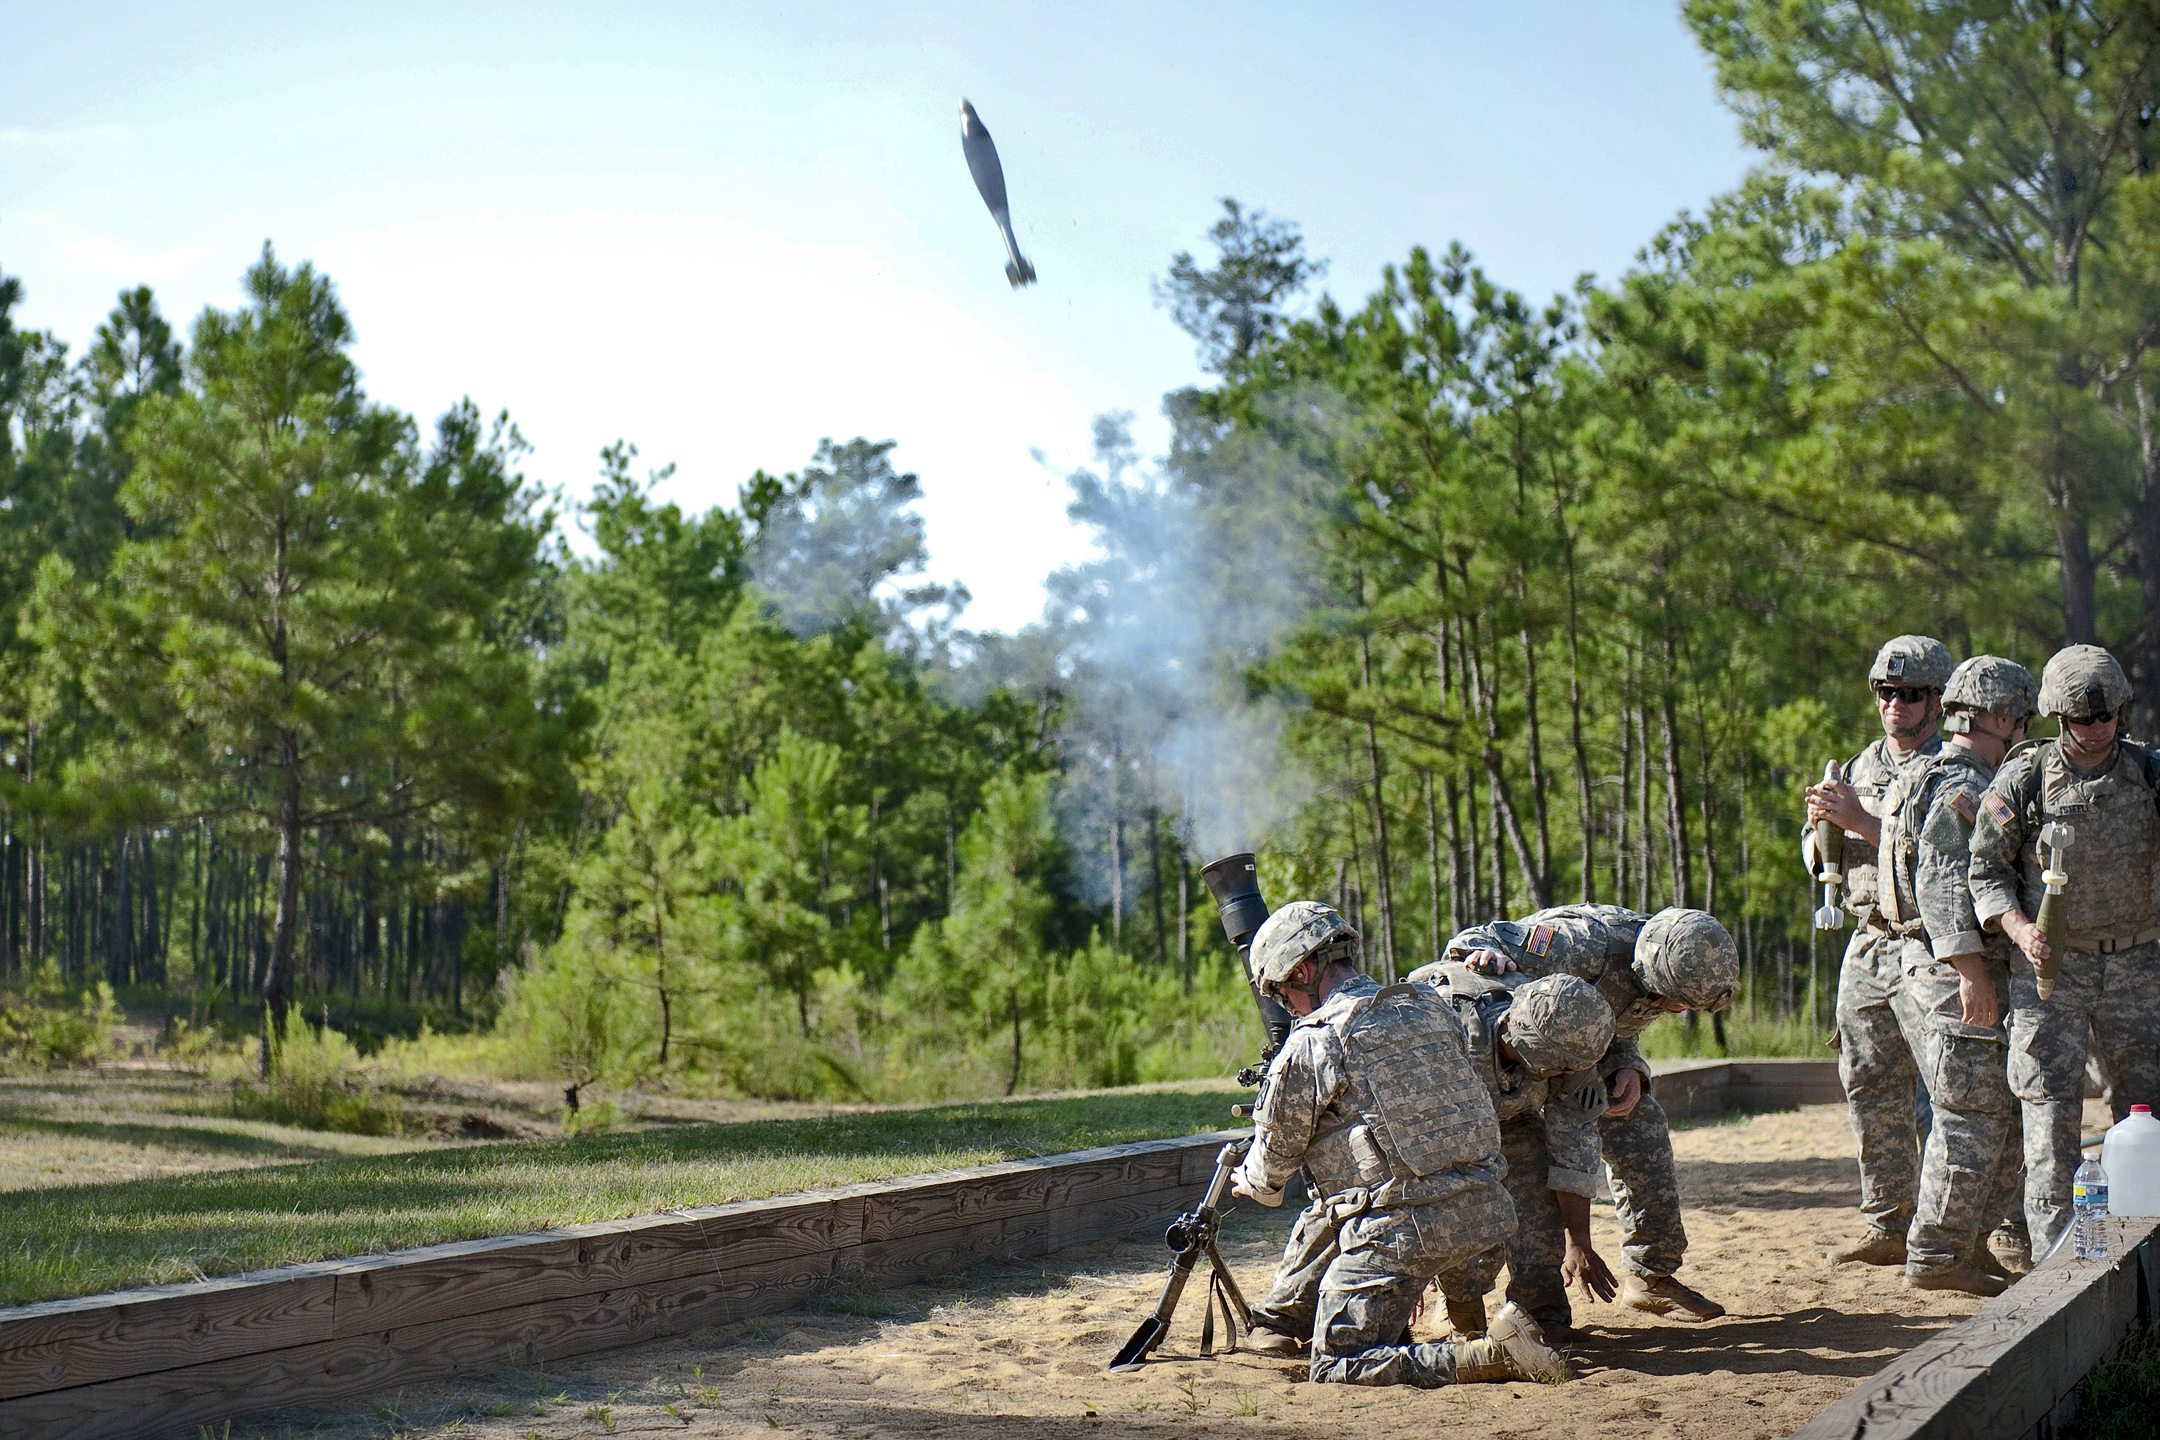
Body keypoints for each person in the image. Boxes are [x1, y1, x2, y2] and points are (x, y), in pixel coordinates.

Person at [1228, 900, 1569, 1387]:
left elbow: (1271, 1173)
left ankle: (1493, 1356)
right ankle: (1468, 1318)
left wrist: (1250, 1178)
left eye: (1282, 994)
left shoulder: (1317, 1039)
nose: (1287, 1006)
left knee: (1337, 1366)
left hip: (1408, 1230)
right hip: (1490, 1215)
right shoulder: (1429, 1003)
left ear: (1303, 970)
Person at [1245, 965, 1620, 1352]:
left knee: (1527, 1183)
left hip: (1506, 1129)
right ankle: (1285, 1314)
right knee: (1351, 1189)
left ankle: (1540, 1313)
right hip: (1409, 1141)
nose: (1561, 1074)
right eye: (1556, 1068)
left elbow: (1573, 1144)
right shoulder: (1441, 1027)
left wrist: (1579, 1240)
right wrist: (1408, 1270)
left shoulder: (1566, 1042)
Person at [1444, 904, 1737, 1321]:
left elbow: (1618, 1022)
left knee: (1641, 1125)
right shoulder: (1577, 945)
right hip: (1506, 1054)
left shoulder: (1674, 966)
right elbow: (1473, 943)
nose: (1680, 1010)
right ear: (1653, 971)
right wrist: (1483, 955)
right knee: (1512, 1167)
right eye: (1678, 1002)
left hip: (1578, 1057)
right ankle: (1458, 1296)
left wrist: (1630, 1064)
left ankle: (1651, 1276)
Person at [1969, 645, 2160, 1251]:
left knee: (2145, 1112)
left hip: (2138, 965)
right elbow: (1985, 870)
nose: (2099, 729)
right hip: (2052, 972)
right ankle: (2056, 1260)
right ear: (2057, 716)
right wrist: (2021, 929)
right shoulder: (2027, 778)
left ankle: (2144, 1247)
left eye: (2108, 717)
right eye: (2084, 719)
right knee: (2049, 1112)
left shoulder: (2149, 773)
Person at [1874, 655, 2037, 1294]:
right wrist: (1971, 971)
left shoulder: (1933, 771)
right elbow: (1940, 881)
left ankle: (1962, 1245)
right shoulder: (1963, 785)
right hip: (1951, 970)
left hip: (1940, 963)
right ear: (1999, 716)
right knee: (1969, 1114)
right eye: (2021, 720)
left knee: (1985, 1110)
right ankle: (1939, 1256)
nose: (2023, 732)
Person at [1805, 634, 1954, 1266]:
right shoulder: (1856, 767)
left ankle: (1958, 1228)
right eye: (1885, 692)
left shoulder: (1954, 767)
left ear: (1939, 701)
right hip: (1867, 942)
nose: (1896, 704)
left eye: (1911, 694)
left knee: (1949, 1090)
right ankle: (1888, 1221)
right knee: (1868, 1083)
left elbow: (1955, 856)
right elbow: (1816, 857)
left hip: (1932, 945)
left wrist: (1865, 823)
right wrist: (1820, 834)